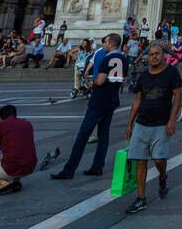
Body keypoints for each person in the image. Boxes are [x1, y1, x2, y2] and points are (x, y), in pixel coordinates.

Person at [51, 34, 127, 180]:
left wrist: (94, 82)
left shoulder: (107, 58)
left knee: (83, 135)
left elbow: (100, 80)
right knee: (103, 135)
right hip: (112, 100)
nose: (102, 45)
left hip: (99, 101)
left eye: (104, 42)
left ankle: (69, 169)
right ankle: (97, 167)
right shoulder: (123, 59)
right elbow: (123, 81)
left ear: (111, 43)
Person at [123, 41, 182, 214]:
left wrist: (172, 120)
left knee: (158, 159)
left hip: (161, 123)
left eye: (157, 54)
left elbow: (178, 97)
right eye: (151, 54)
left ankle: (163, 175)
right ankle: (141, 198)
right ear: (147, 57)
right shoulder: (144, 76)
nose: (154, 57)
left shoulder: (171, 72)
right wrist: (129, 124)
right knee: (140, 161)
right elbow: (137, 100)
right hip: (142, 123)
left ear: (163, 54)